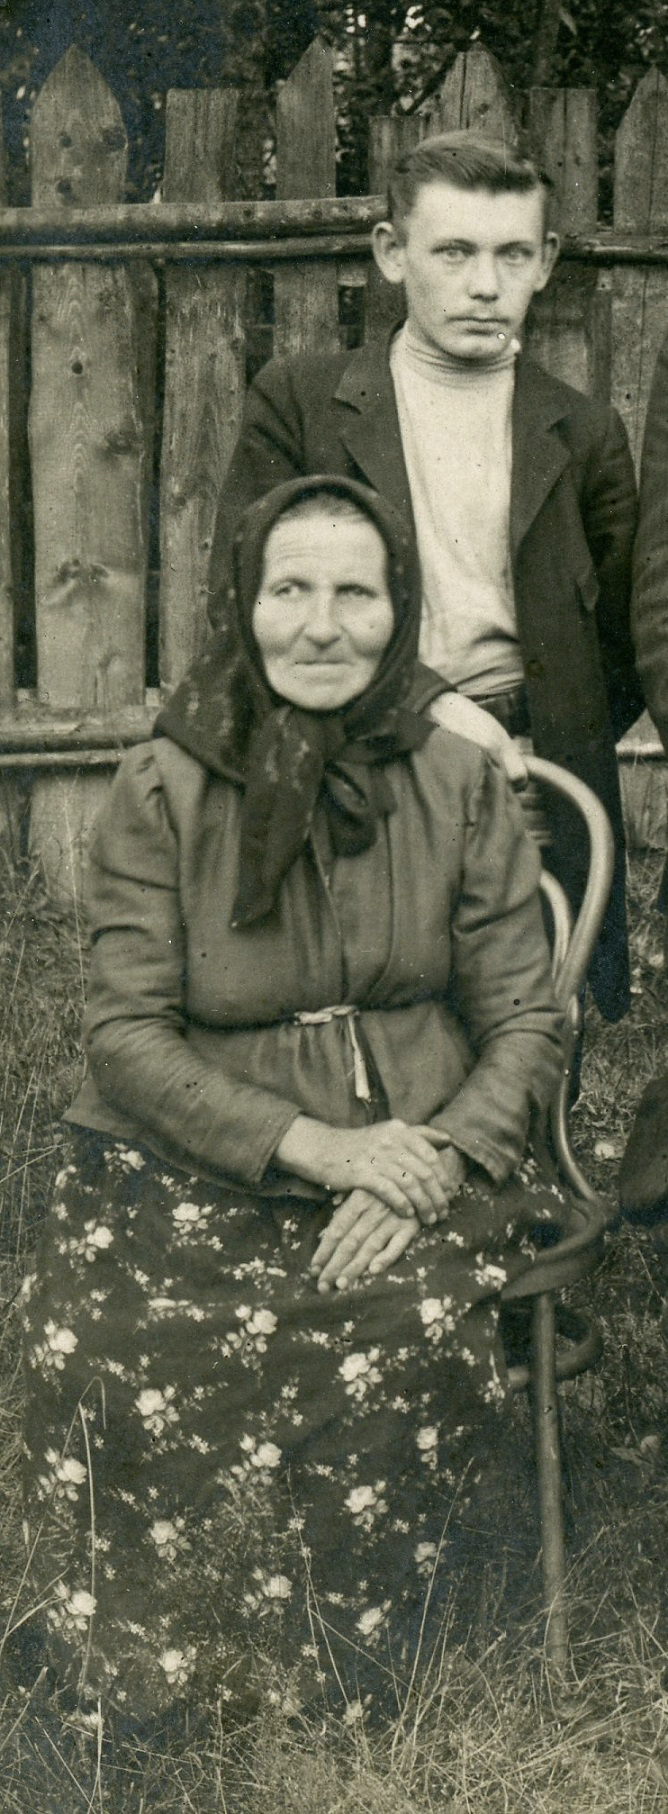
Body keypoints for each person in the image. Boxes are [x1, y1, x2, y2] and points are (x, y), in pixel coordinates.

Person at [22, 475, 570, 1731]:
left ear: (399, 611)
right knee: (100, 1335)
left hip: (427, 1144)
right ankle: (154, 1686)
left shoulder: (456, 778)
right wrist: (318, 1147)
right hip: (203, 1147)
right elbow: (121, 1030)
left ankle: (339, 1683)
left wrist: (430, 1153)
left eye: (355, 594)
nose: (321, 626)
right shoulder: (162, 783)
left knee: (395, 1324)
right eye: (289, 591)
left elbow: (525, 1017)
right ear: (240, 603)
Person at [208, 131, 643, 1024]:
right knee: (356, 1019)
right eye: (454, 252)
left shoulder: (584, 430)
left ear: (546, 262)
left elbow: (626, 637)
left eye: (512, 254)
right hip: (349, 751)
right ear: (392, 253)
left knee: (523, 1028)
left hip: (529, 777)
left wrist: (545, 726)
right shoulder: (302, 402)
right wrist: (425, 704)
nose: (485, 286)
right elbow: (246, 598)